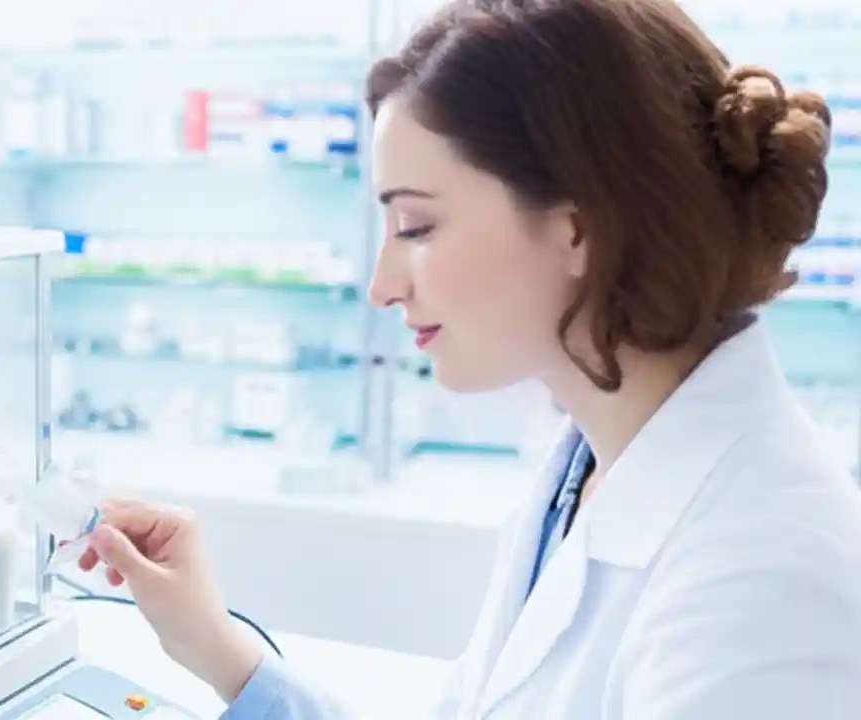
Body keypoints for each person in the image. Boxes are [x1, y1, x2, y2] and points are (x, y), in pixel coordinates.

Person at [79, 0, 861, 717]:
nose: (382, 287)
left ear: (580, 226)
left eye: (415, 226)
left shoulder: (765, 585)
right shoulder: (585, 471)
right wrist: (222, 653)